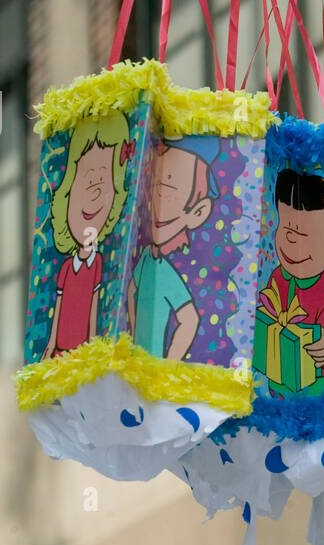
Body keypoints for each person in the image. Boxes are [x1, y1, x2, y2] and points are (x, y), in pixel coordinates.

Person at [259, 164, 324, 395]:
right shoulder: (276, 277)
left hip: (322, 394)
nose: (293, 242)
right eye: (286, 230)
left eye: (306, 235)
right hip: (280, 389)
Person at [41, 112, 132, 358]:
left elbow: (93, 309)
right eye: (86, 178)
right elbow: (58, 311)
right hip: (60, 353)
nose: (94, 190)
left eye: (103, 177)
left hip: (82, 356)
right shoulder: (67, 267)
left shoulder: (97, 264)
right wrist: (49, 347)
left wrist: (92, 348)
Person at [127, 135, 219, 361]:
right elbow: (131, 290)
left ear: (198, 212)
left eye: (169, 183)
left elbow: (190, 320)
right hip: (136, 368)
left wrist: (169, 366)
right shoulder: (148, 257)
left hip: (152, 374)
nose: (160, 194)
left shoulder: (162, 269)